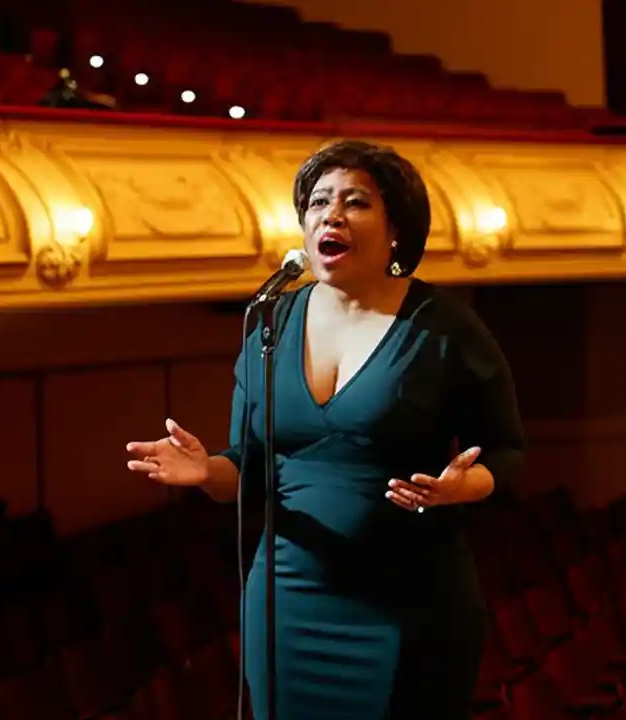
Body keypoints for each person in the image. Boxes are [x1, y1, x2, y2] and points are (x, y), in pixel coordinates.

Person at [125, 139, 525, 720]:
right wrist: (207, 470)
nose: (330, 215)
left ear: (397, 230)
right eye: (317, 203)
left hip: (409, 601)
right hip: (289, 602)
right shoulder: (272, 320)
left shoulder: (446, 329)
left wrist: (461, 489)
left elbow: (508, 451)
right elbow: (249, 468)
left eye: (355, 202)